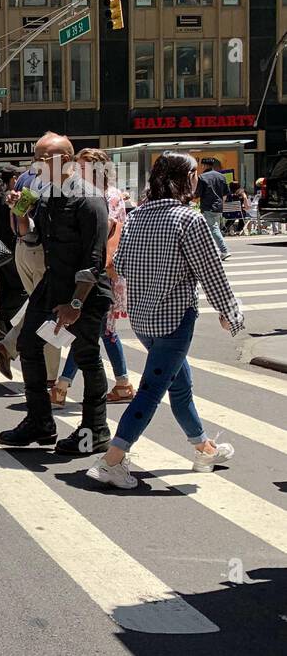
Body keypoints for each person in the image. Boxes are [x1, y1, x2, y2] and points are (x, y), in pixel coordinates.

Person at [87, 152, 244, 489]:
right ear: (183, 178)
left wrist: (153, 278)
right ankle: (112, 459)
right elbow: (211, 273)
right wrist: (231, 313)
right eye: (194, 173)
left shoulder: (138, 215)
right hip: (175, 319)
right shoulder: (189, 219)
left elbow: (121, 264)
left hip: (143, 318)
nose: (197, 178)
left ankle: (204, 448)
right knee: (151, 391)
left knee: (180, 385)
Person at [0, 133, 113, 455]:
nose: (35, 165)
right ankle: (40, 422)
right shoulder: (44, 194)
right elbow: (31, 238)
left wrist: (75, 303)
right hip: (52, 284)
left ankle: (95, 429)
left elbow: (95, 258)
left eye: (41, 159)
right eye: (35, 158)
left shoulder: (89, 199)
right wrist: (20, 213)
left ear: (65, 160)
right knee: (28, 345)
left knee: (87, 357)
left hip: (84, 292)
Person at [49, 150, 134, 408]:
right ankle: (122, 384)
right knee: (101, 332)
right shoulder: (82, 194)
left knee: (90, 331)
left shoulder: (109, 197)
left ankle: (62, 386)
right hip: (88, 273)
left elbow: (103, 238)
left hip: (102, 274)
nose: (77, 171)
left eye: (83, 167)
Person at [0, 147, 64, 386]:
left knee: (41, 310)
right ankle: (50, 379)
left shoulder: (23, 178)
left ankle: (9, 346)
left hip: (23, 247)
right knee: (50, 314)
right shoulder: (47, 181)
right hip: (40, 250)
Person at [0, 164, 27, 338]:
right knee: (22, 287)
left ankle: (1, 328)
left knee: (5, 287)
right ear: (13, 179)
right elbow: (20, 220)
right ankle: (1, 317)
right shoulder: (10, 199)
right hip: (11, 248)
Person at [196, 158, 231, 258]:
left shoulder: (202, 177)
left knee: (213, 229)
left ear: (204, 165)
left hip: (208, 206)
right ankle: (208, 251)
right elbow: (225, 194)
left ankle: (224, 250)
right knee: (211, 229)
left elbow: (198, 193)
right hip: (219, 207)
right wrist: (220, 204)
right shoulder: (221, 176)